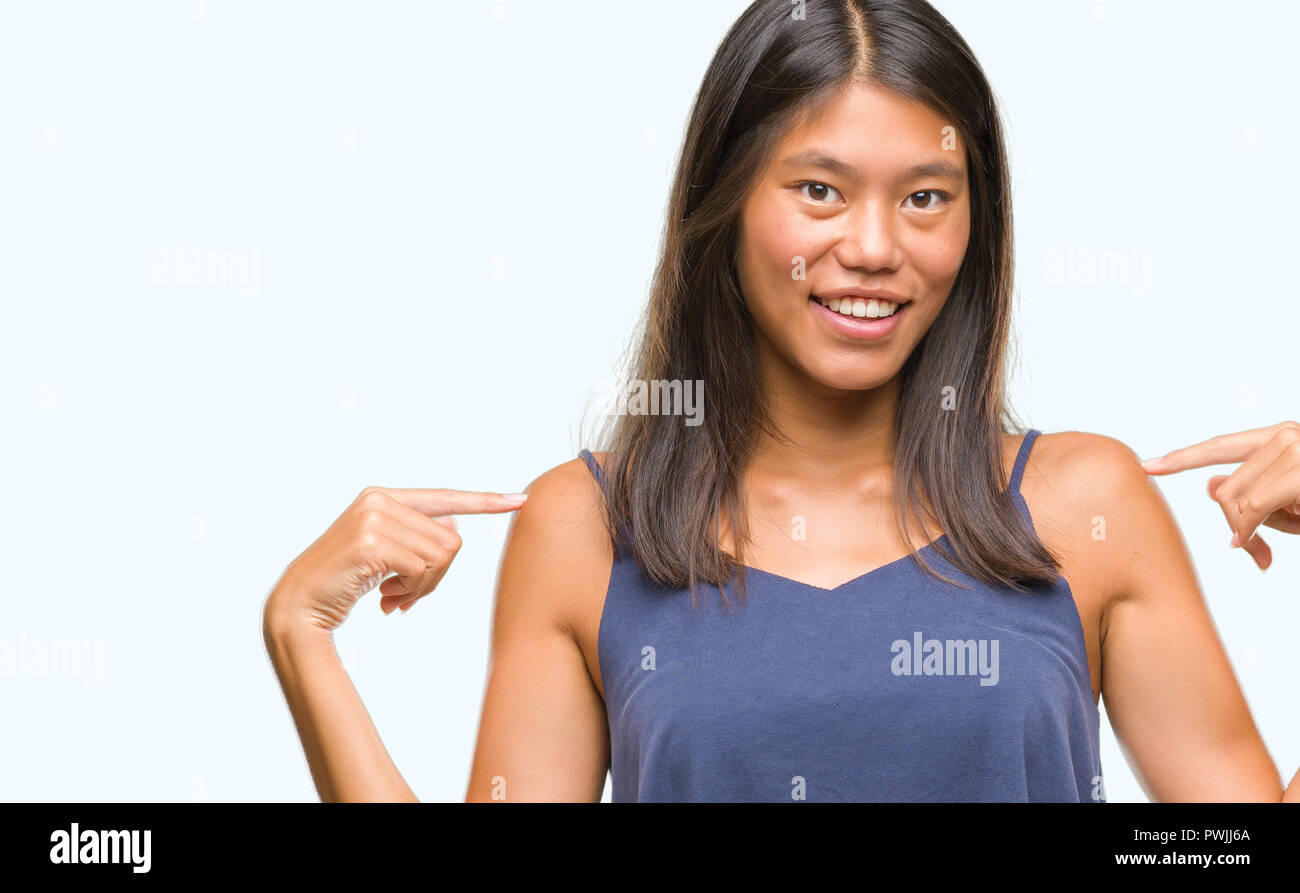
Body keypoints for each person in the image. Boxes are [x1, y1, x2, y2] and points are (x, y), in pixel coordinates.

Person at [261, 0, 1300, 802]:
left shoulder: (1084, 503)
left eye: (925, 197)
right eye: (818, 189)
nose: (876, 247)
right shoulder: (582, 529)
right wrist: (301, 633)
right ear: (725, 205)